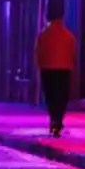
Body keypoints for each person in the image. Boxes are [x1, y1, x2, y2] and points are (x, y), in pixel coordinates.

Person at [35, 8, 76, 138]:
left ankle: (54, 119)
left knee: (51, 96)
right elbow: (73, 52)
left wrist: (40, 65)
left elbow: (38, 52)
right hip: (64, 68)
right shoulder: (68, 36)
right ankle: (58, 119)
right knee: (62, 96)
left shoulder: (43, 35)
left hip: (47, 69)